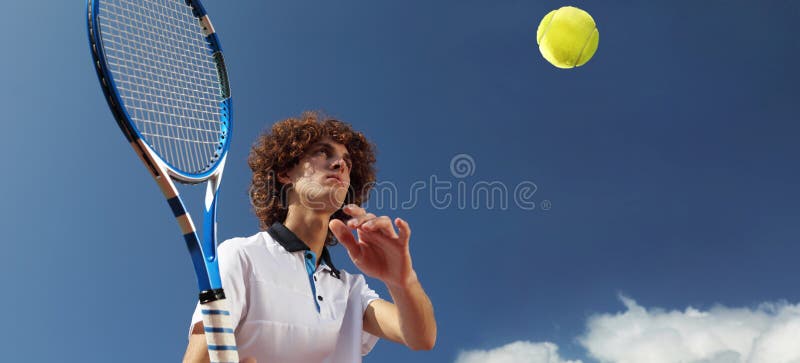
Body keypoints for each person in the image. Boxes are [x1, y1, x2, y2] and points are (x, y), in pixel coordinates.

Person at [183, 111, 437, 363]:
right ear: (285, 172)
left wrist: (403, 281)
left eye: (347, 163)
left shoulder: (350, 290)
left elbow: (421, 337)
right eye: (322, 153)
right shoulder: (241, 255)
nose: (339, 165)